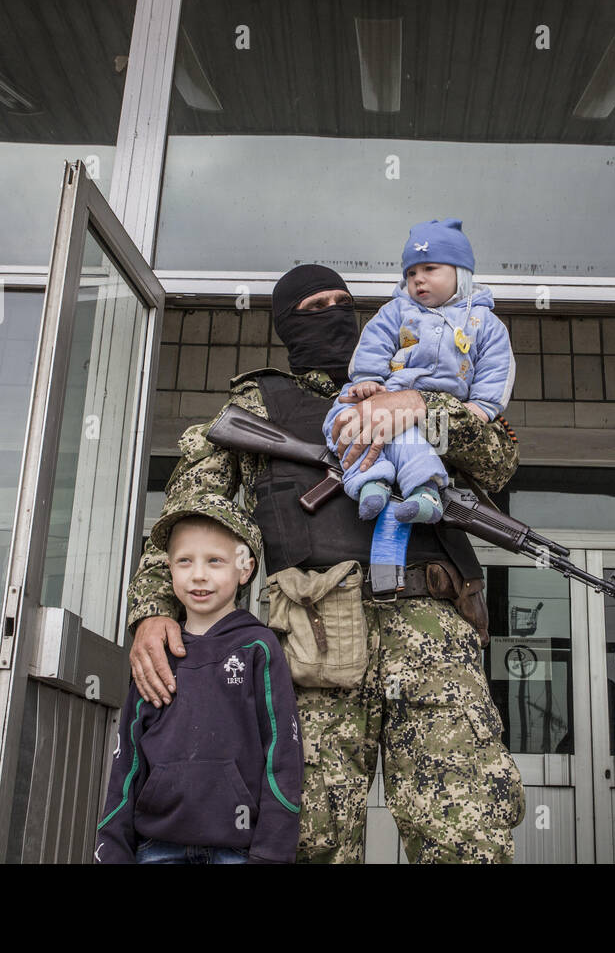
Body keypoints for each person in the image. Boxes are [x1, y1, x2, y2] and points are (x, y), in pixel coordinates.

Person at [126, 263, 526, 863]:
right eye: (316, 307)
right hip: (313, 640)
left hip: (432, 632)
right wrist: (155, 609)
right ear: (288, 326)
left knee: (465, 831)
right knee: (308, 837)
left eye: (344, 302)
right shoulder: (257, 404)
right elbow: (192, 502)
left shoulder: (417, 378)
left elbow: (496, 458)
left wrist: (417, 403)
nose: (336, 314)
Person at [96, 495, 302, 864]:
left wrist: (272, 853)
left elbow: (283, 756)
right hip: (156, 849)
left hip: (237, 850)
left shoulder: (259, 647)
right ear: (169, 570)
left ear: (245, 569)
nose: (199, 575)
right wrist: (112, 849)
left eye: (215, 561)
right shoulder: (156, 655)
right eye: (184, 561)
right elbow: (125, 762)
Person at [322, 218, 515, 523]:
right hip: (387, 391)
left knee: (414, 441)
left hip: (439, 408)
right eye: (411, 273)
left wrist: (481, 407)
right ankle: (370, 481)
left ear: (460, 273)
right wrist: (368, 380)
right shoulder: (397, 310)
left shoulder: (484, 323)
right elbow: (374, 341)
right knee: (342, 414)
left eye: (430, 269)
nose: (418, 280)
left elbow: (496, 367)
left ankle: (424, 490)